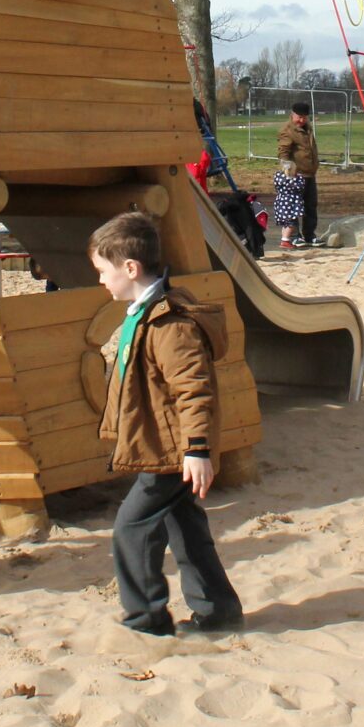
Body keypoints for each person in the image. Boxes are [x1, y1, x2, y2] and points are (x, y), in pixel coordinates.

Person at [90, 211, 242, 637]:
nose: (101, 280)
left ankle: (146, 620)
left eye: (103, 271)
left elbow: (194, 390)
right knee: (184, 525)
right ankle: (218, 611)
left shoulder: (170, 324)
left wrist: (196, 449)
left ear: (130, 268)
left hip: (175, 449)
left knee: (132, 529)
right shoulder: (143, 312)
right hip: (166, 444)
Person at [275, 101, 320, 248]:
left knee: (310, 206)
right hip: (296, 176)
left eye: (305, 117)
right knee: (293, 207)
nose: (301, 120)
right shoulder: (287, 130)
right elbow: (283, 152)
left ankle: (309, 235)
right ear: (292, 115)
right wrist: (287, 169)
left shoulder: (308, 128)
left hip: (310, 174)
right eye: (299, 117)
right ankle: (294, 236)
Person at [270, 159, 304, 251]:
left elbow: (276, 186)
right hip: (290, 204)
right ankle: (285, 240)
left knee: (285, 223)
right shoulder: (295, 181)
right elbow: (300, 186)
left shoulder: (279, 178)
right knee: (291, 223)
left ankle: (284, 239)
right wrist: (298, 177)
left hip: (281, 203)